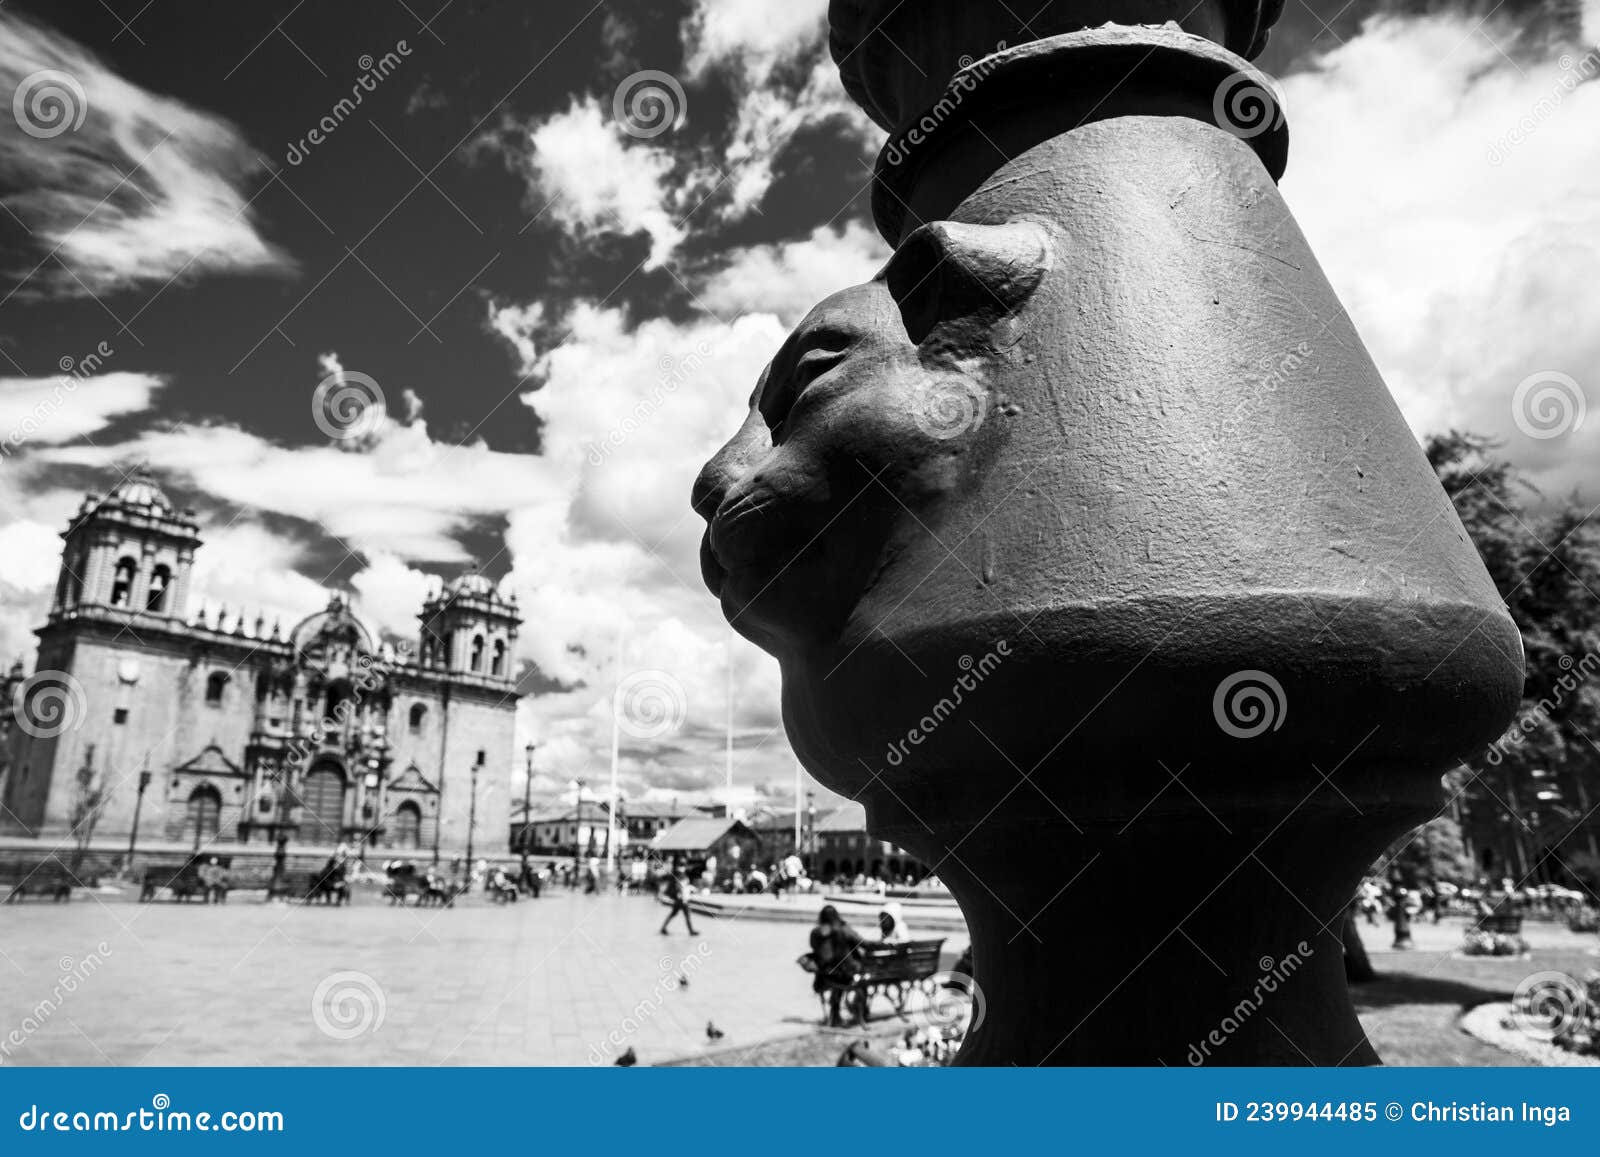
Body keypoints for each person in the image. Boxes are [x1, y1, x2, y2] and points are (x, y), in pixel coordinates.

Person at [808, 905, 865, 1026]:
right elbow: (861, 942)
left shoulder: (815, 932)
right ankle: (854, 1013)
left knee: (837, 969)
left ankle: (835, 1014)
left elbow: (814, 947)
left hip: (825, 975)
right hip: (845, 975)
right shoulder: (844, 929)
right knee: (854, 967)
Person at [659, 866, 697, 935]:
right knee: (685, 915)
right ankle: (691, 931)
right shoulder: (680, 879)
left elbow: (683, 888)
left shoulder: (680, 878)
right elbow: (681, 889)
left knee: (674, 914)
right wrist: (684, 897)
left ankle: (663, 928)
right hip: (682, 901)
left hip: (680, 900)